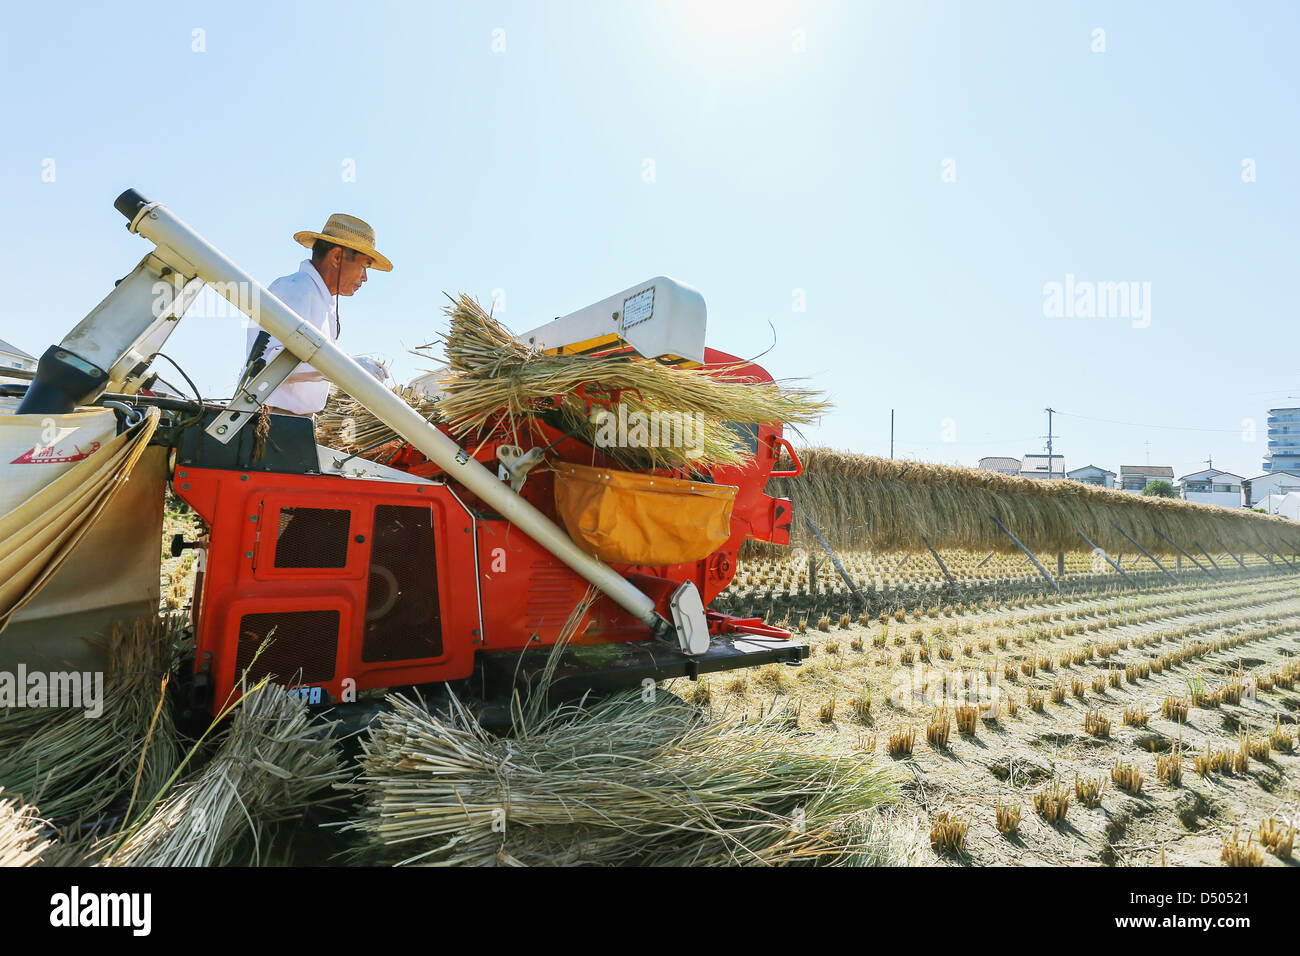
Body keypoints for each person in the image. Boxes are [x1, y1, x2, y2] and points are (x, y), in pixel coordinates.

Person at [243, 213, 393, 417]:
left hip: (292, 424)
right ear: (337, 257)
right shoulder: (295, 289)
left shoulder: (321, 300)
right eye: (364, 266)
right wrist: (348, 368)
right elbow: (266, 362)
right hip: (270, 420)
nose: (365, 278)